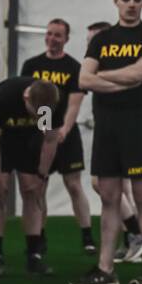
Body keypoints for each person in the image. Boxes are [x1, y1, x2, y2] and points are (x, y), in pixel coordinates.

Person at [69, 0, 142, 284]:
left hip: (138, 124)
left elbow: (139, 74)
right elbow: (84, 79)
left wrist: (104, 76)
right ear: (116, 2)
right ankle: (105, 269)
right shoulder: (101, 39)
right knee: (108, 196)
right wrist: (121, 81)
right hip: (106, 125)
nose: (131, 4)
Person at [21, 19, 92, 254]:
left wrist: (64, 130)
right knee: (39, 187)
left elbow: (74, 104)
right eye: (49, 34)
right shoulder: (31, 65)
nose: (52, 39)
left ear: (66, 39)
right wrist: (45, 131)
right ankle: (38, 236)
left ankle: (87, 236)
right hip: (39, 135)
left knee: (74, 185)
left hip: (66, 135)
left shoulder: (74, 67)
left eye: (58, 35)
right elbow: (28, 100)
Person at [0, 76, 62, 276]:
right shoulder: (3, 97)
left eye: (42, 114)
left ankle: (34, 255)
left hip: (28, 140)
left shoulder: (47, 103)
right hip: (2, 142)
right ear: (26, 98)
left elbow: (49, 140)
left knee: (32, 191)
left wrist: (42, 175)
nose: (39, 116)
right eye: (35, 112)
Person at [86, 20, 142, 264]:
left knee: (100, 183)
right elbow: (86, 82)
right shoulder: (96, 65)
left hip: (125, 128)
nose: (91, 45)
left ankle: (136, 232)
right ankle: (131, 241)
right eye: (88, 41)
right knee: (123, 188)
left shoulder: (119, 65)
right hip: (105, 126)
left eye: (94, 40)